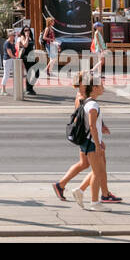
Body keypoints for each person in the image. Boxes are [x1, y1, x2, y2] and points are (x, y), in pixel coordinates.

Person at [72, 75, 120, 209]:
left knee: (97, 171)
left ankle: (80, 191)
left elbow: (93, 126)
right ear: (94, 88)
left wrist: (99, 139)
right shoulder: (92, 105)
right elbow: (92, 126)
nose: (103, 88)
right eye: (101, 86)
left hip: (88, 142)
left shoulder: (88, 102)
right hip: (91, 143)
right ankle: (94, 202)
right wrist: (98, 144)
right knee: (98, 172)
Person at [52, 73, 95, 203]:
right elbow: (86, 117)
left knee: (85, 164)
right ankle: (102, 192)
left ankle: (61, 185)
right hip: (85, 135)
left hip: (83, 134)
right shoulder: (82, 97)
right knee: (96, 167)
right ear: (82, 83)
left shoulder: (80, 95)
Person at [19, 26, 37, 95]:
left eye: (28, 30)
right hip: (26, 57)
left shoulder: (31, 37)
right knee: (29, 72)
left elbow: (32, 47)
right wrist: (26, 37)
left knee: (37, 72)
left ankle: (30, 87)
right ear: (23, 31)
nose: (27, 31)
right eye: (25, 30)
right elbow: (25, 45)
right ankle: (28, 89)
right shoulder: (22, 37)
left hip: (32, 56)